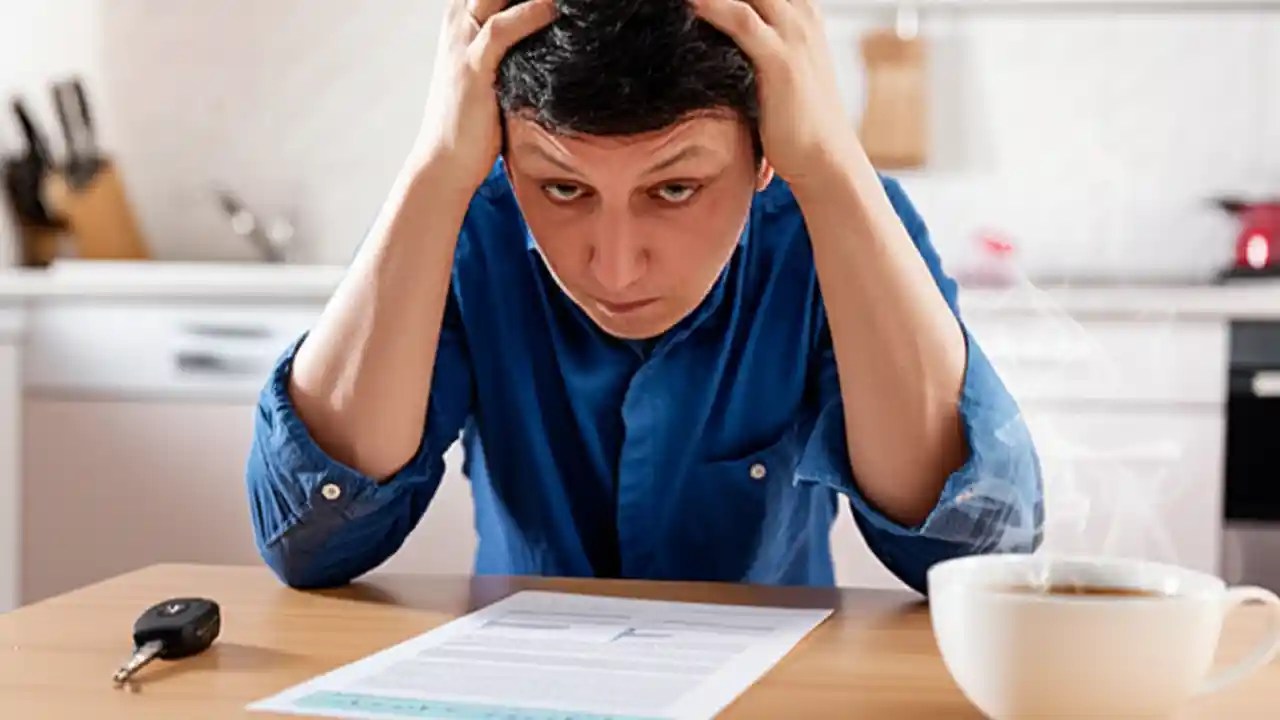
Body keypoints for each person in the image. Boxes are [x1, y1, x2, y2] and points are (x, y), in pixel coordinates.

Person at [245, 0, 1043, 595]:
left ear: (766, 152)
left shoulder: (838, 225)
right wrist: (434, 169)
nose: (616, 269)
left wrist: (831, 164)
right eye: (561, 187)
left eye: (676, 188)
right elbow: (313, 542)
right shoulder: (467, 224)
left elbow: (973, 555)